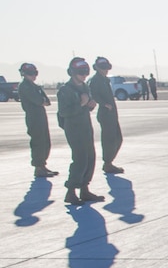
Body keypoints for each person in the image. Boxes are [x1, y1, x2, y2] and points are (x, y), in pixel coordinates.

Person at [56, 57, 104, 204]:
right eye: (81, 72)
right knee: (80, 159)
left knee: (90, 157)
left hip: (85, 127)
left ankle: (84, 189)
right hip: (74, 128)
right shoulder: (65, 90)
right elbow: (64, 112)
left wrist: (90, 105)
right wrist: (81, 103)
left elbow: (85, 107)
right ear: (72, 72)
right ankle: (71, 192)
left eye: (86, 72)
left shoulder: (84, 87)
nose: (84, 75)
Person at [17, 63, 59, 178]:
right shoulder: (25, 86)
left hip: (41, 116)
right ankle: (38, 167)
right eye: (31, 73)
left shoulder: (35, 86)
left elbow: (47, 101)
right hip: (33, 117)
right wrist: (42, 101)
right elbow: (38, 100)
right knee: (38, 142)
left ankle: (42, 165)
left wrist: (42, 101)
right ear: (24, 74)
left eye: (35, 73)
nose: (33, 76)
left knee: (45, 141)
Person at [88, 57, 125, 174]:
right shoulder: (95, 80)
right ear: (97, 68)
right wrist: (104, 104)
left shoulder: (105, 80)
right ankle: (107, 163)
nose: (105, 71)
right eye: (103, 68)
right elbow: (93, 94)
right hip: (105, 113)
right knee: (109, 140)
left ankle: (109, 161)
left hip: (112, 113)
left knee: (118, 139)